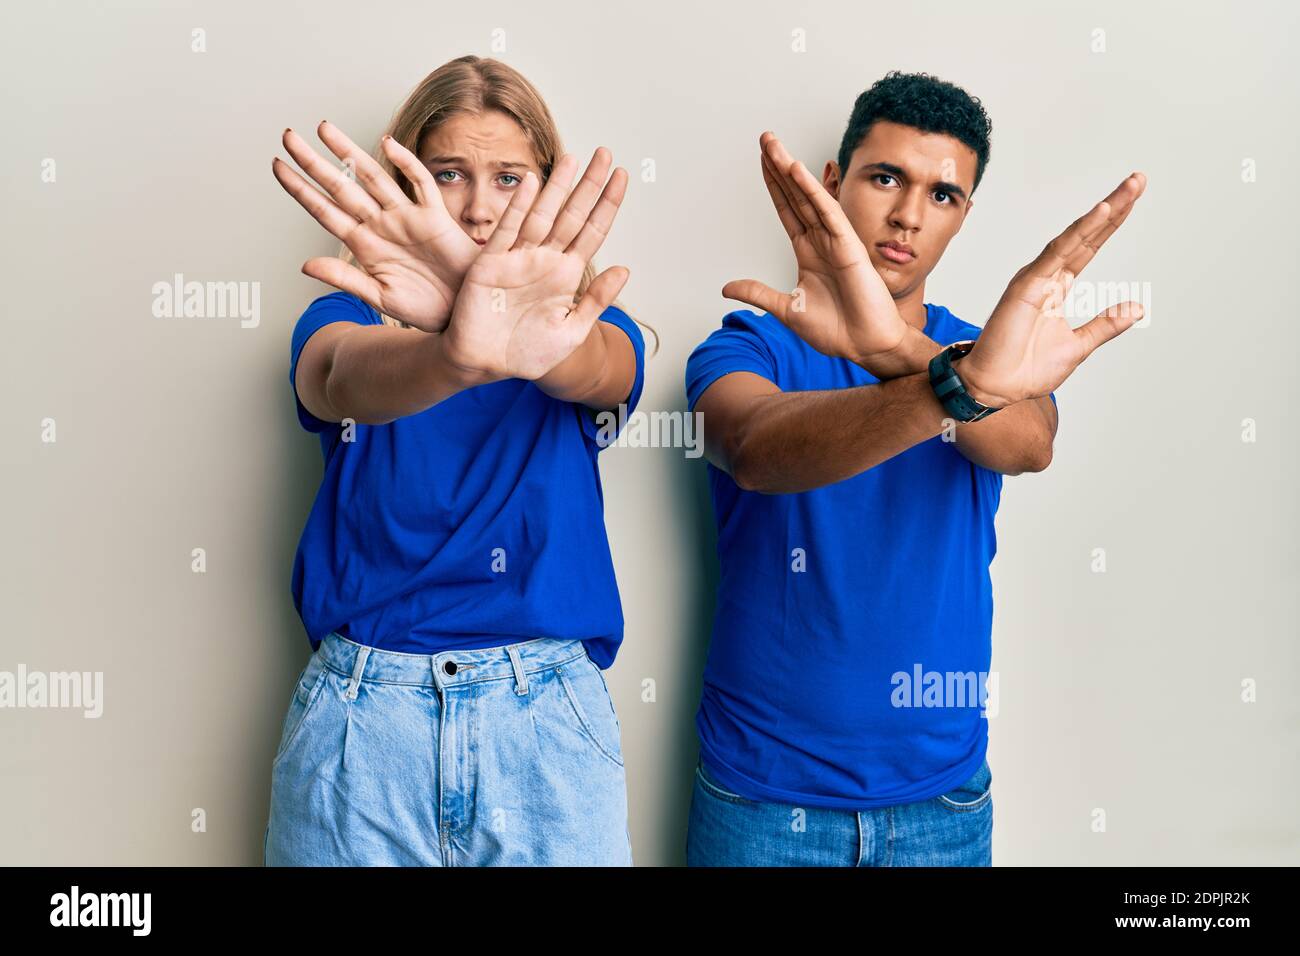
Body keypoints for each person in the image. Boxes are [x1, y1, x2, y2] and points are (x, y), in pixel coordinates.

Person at [683, 71, 1146, 866]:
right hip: (764, 802)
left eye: (943, 196)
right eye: (886, 177)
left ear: (964, 216)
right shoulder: (746, 344)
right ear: (834, 183)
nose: (906, 215)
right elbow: (755, 450)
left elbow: (1029, 442)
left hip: (942, 802)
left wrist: (908, 357)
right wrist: (950, 388)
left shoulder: (984, 349)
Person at [263, 55, 654, 866]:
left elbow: (602, 373)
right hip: (363, 723)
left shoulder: (586, 331)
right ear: (412, 183)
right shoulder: (342, 317)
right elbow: (339, 377)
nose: (480, 209)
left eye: (509, 177)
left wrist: (525, 340)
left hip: (545, 722)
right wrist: (456, 350)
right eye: (450, 173)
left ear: (546, 189)